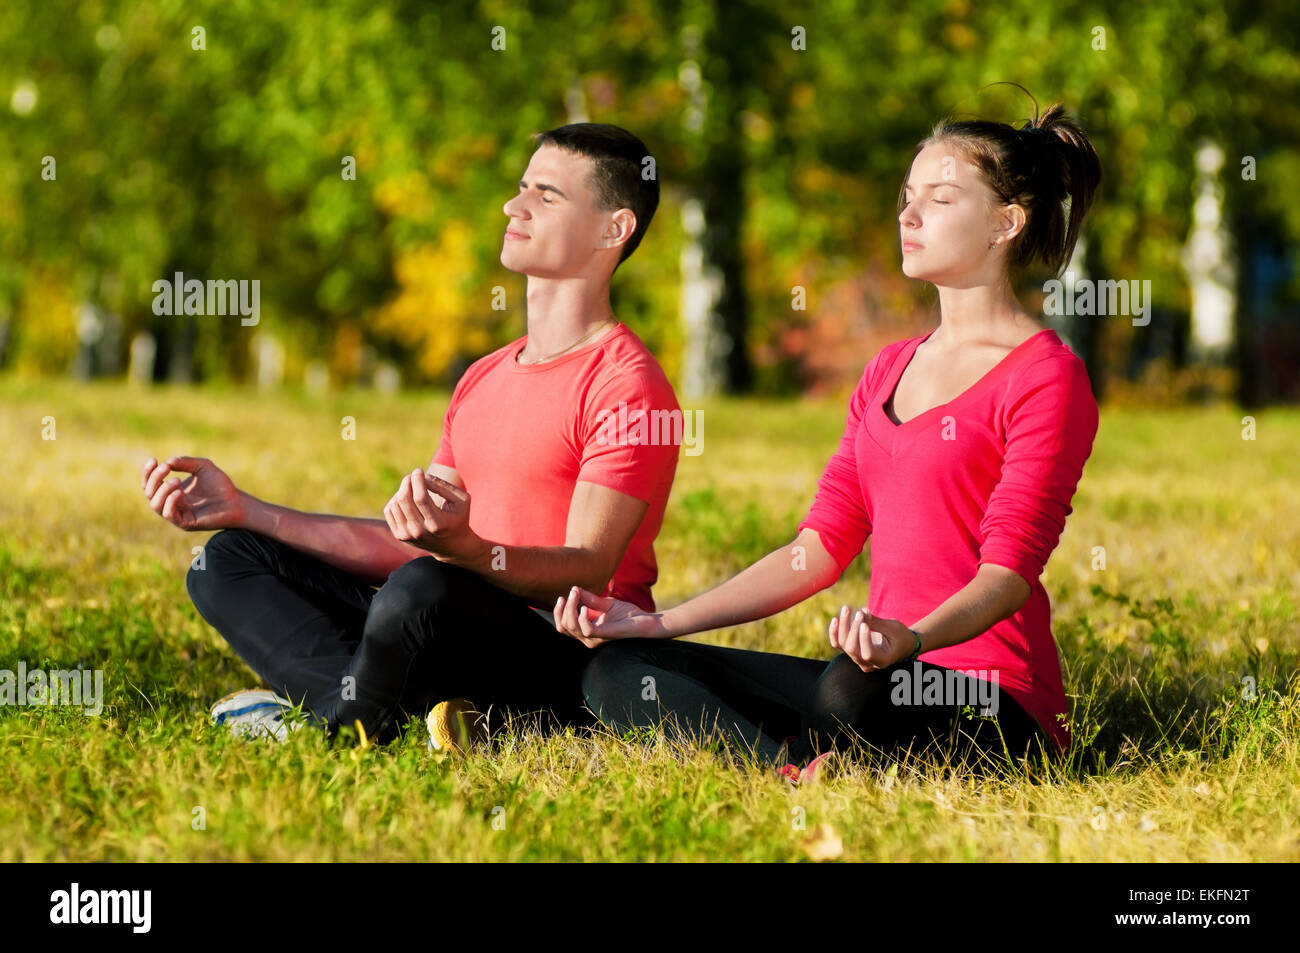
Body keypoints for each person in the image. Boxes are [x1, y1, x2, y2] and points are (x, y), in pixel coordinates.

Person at [553, 100, 1103, 779]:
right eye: (906, 198)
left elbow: (1007, 576)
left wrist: (911, 637)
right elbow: (815, 552)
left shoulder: (1048, 375)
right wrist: (655, 624)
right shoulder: (886, 370)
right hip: (875, 675)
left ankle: (817, 754)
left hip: (992, 702)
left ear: (1005, 222)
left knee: (846, 691)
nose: (908, 215)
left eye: (940, 198)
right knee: (618, 669)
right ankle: (798, 775)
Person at [140, 122, 682, 746]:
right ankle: (426, 712)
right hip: (445, 614)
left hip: (565, 668)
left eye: (547, 195)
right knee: (228, 560)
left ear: (613, 229)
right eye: (520, 187)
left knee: (422, 589)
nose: (514, 205)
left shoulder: (626, 384)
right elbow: (417, 547)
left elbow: (584, 573)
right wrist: (247, 510)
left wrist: (468, 552)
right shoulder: (484, 376)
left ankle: (333, 733)